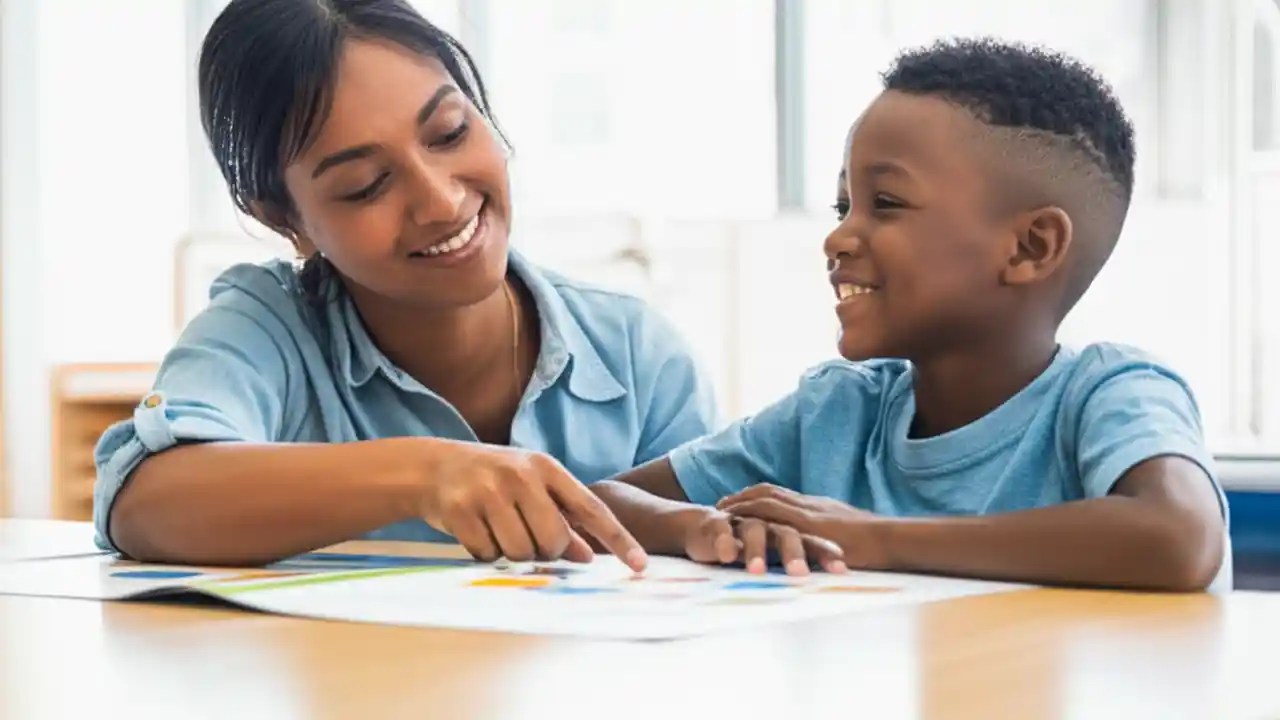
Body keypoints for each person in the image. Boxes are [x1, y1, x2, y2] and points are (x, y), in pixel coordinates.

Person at [92, 0, 717, 571]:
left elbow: (712, 565)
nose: (442, 203)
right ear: (284, 219)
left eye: (450, 133)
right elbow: (144, 501)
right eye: (365, 184)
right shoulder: (267, 330)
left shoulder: (637, 354)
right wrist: (426, 471)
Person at [594, 39, 1230, 592]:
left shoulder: (1109, 393)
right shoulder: (836, 412)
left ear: (1030, 248)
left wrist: (875, 539)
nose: (839, 237)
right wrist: (704, 527)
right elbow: (600, 503)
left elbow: (1178, 537)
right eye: (844, 204)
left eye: (886, 203)